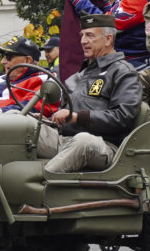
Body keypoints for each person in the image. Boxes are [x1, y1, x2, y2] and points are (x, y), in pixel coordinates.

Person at [37, 13, 142, 172]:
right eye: (82, 35)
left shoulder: (123, 72)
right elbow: (63, 115)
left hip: (103, 145)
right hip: (65, 140)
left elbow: (124, 116)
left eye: (90, 35)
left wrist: (78, 117)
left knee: (83, 141)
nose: (83, 41)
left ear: (108, 39)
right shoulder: (77, 77)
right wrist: (49, 119)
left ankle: (40, 185)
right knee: (19, 123)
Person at [0, 36, 53, 114]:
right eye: (3, 56)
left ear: (27, 60)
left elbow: (32, 107)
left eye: (9, 57)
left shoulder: (45, 80)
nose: (3, 61)